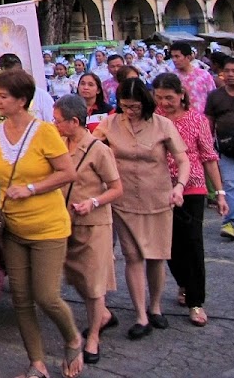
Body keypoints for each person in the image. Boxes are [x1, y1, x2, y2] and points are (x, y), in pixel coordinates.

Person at [0, 68, 82, 378]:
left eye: (3, 96)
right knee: (21, 299)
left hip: (48, 227)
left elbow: (67, 172)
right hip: (12, 227)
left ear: (22, 100)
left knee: (47, 296)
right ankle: (36, 363)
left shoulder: (45, 132)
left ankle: (73, 337)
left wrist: (31, 188)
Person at [92, 78, 189, 340]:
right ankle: (140, 316)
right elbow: (89, 148)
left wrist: (179, 186)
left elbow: (182, 158)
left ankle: (155, 306)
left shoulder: (162, 124)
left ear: (144, 103)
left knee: (157, 256)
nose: (130, 111)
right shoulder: (111, 123)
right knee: (133, 256)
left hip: (158, 198)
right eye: (124, 106)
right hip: (123, 200)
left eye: (134, 106)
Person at [151, 73, 228, 327]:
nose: (164, 102)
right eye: (159, 97)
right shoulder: (155, 120)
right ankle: (183, 282)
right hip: (161, 187)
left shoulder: (196, 119)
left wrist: (220, 193)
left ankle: (196, 301)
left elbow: (208, 156)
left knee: (193, 243)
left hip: (192, 187)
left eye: (169, 97)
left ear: (181, 94)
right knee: (169, 244)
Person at [51, 95, 123, 365]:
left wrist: (93, 201)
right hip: (66, 222)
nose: (55, 124)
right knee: (77, 278)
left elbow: (117, 189)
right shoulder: (60, 145)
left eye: (59, 121)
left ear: (74, 121)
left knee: (94, 285)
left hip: (94, 224)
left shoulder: (99, 150)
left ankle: (93, 335)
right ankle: (102, 314)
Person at [205, 55, 234, 240]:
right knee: (231, 185)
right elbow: (209, 121)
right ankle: (231, 224)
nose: (231, 75)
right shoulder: (215, 96)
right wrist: (208, 144)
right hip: (227, 149)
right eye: (228, 71)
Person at [0, 53, 54, 122]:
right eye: (5, 78)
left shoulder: (41, 96)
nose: (10, 82)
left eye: (15, 76)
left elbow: (53, 125)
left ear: (23, 72)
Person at [169, 41, 215, 114]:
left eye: (177, 56)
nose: (174, 60)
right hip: (181, 119)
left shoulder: (203, 75)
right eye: (172, 57)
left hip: (203, 119)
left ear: (188, 57)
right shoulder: (171, 77)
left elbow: (213, 97)